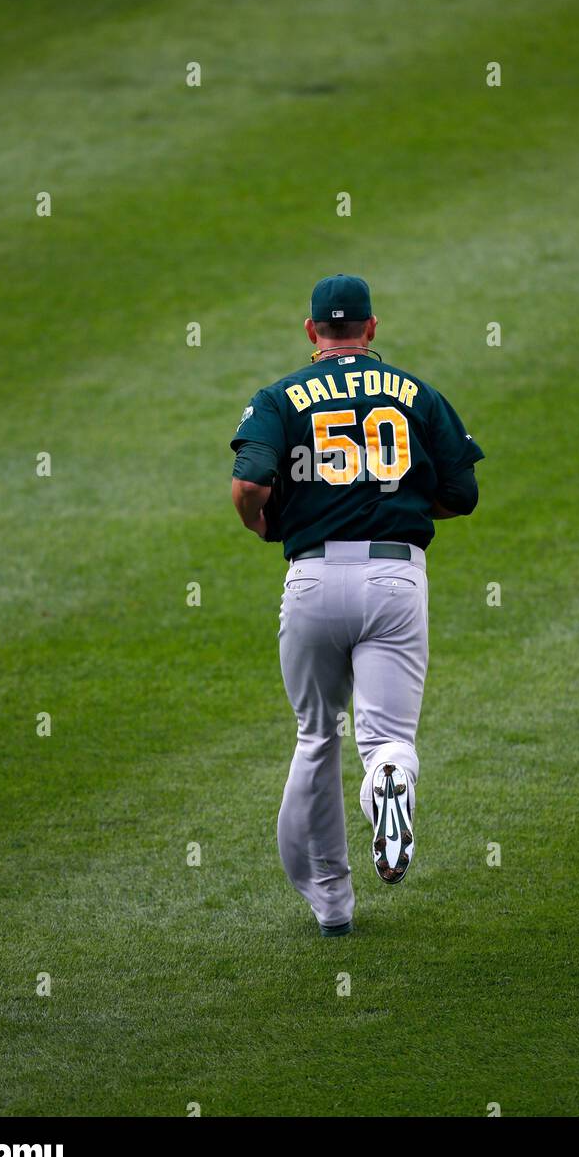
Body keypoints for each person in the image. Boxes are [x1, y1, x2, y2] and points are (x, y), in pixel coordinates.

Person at [231, 274, 484, 935]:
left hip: (313, 579)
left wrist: (265, 525)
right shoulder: (415, 393)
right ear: (371, 328)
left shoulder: (279, 397)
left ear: (311, 330)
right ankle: (389, 782)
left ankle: (332, 903)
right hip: (395, 577)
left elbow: (249, 484)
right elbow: (462, 493)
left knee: (317, 736)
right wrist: (398, 502)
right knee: (388, 739)